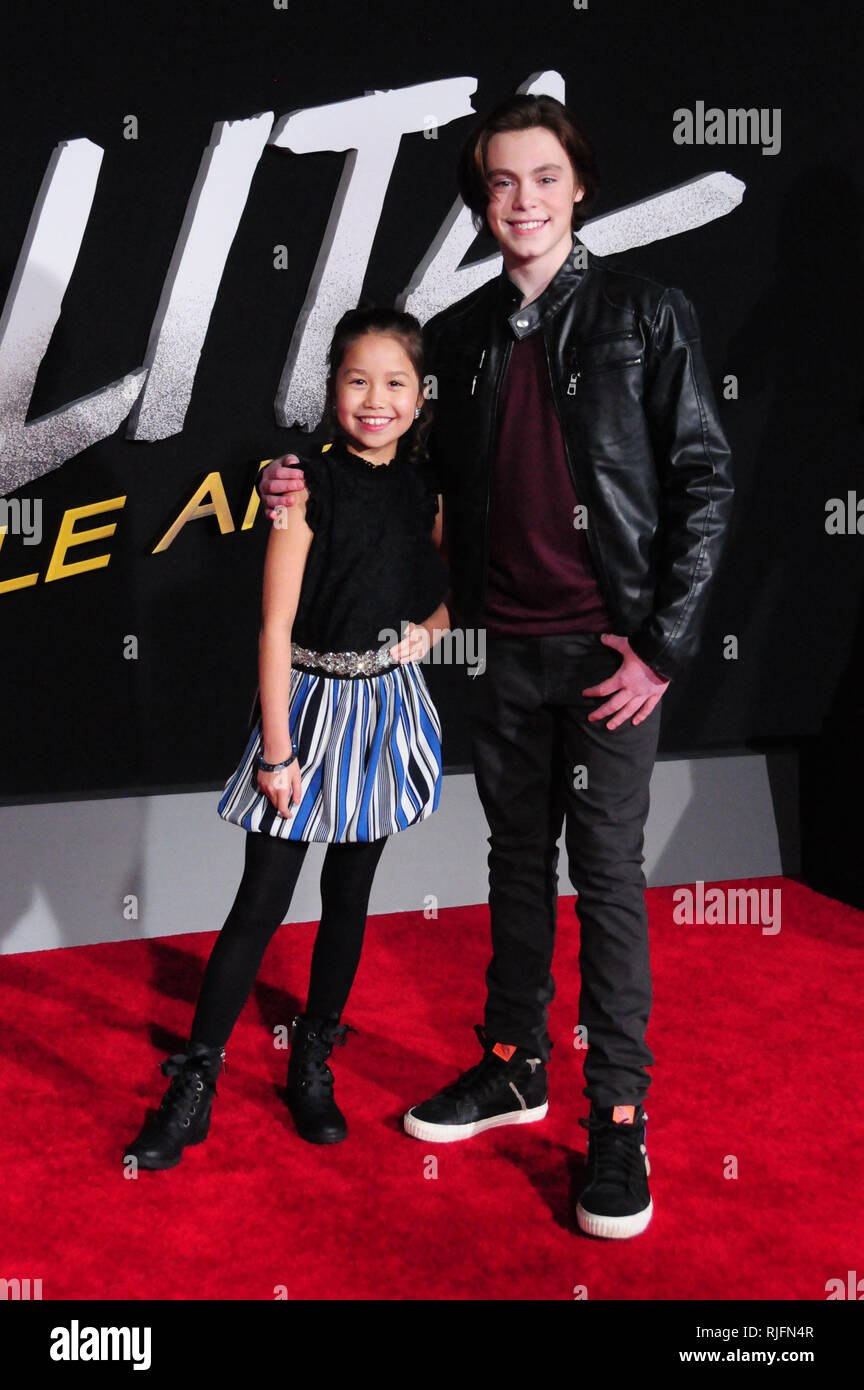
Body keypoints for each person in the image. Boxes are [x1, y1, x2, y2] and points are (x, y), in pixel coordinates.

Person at [257, 94, 734, 1238]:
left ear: (579, 188)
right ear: (484, 201)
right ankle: (517, 1063)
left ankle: (616, 1119)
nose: (521, 201)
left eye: (543, 179)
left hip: (609, 656)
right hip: (501, 650)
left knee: (608, 878)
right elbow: (391, 469)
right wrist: (296, 482)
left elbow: (705, 481)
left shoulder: (644, 313)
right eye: (501, 185)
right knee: (516, 862)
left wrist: (664, 645)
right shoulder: (461, 336)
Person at [125, 306, 450, 1170]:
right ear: (330, 387)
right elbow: (274, 627)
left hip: (385, 711)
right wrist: (277, 751)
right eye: (354, 380)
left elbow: (444, 591)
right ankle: (194, 1083)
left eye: (393, 383)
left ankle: (313, 1062)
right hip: (302, 708)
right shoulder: (305, 481)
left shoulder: (428, 487)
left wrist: (434, 628)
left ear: (421, 397)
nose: (373, 400)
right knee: (260, 903)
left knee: (350, 898)